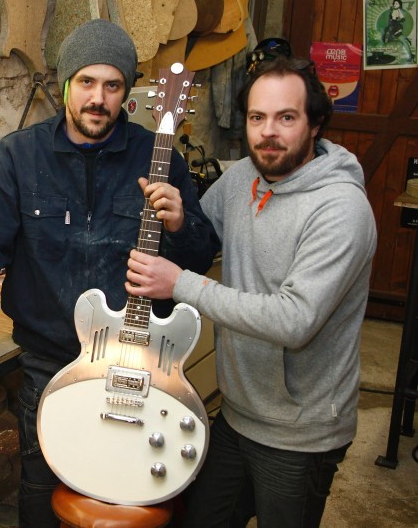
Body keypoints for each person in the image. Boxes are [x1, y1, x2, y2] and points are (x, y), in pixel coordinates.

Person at [0, 19, 219, 527]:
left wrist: (180, 223)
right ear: (64, 85)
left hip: (146, 371)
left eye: (112, 86)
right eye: (86, 82)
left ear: (127, 94)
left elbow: (198, 259)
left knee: (147, 490)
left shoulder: (159, 156)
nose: (98, 98)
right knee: (40, 492)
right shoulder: (16, 159)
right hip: (51, 365)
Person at [129, 55, 377, 527]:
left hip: (300, 433)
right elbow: (202, 236)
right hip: (238, 413)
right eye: (257, 117)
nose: (268, 132)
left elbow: (294, 320)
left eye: (286, 117)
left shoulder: (341, 210)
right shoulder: (243, 176)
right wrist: (181, 221)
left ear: (316, 123)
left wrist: (179, 283)